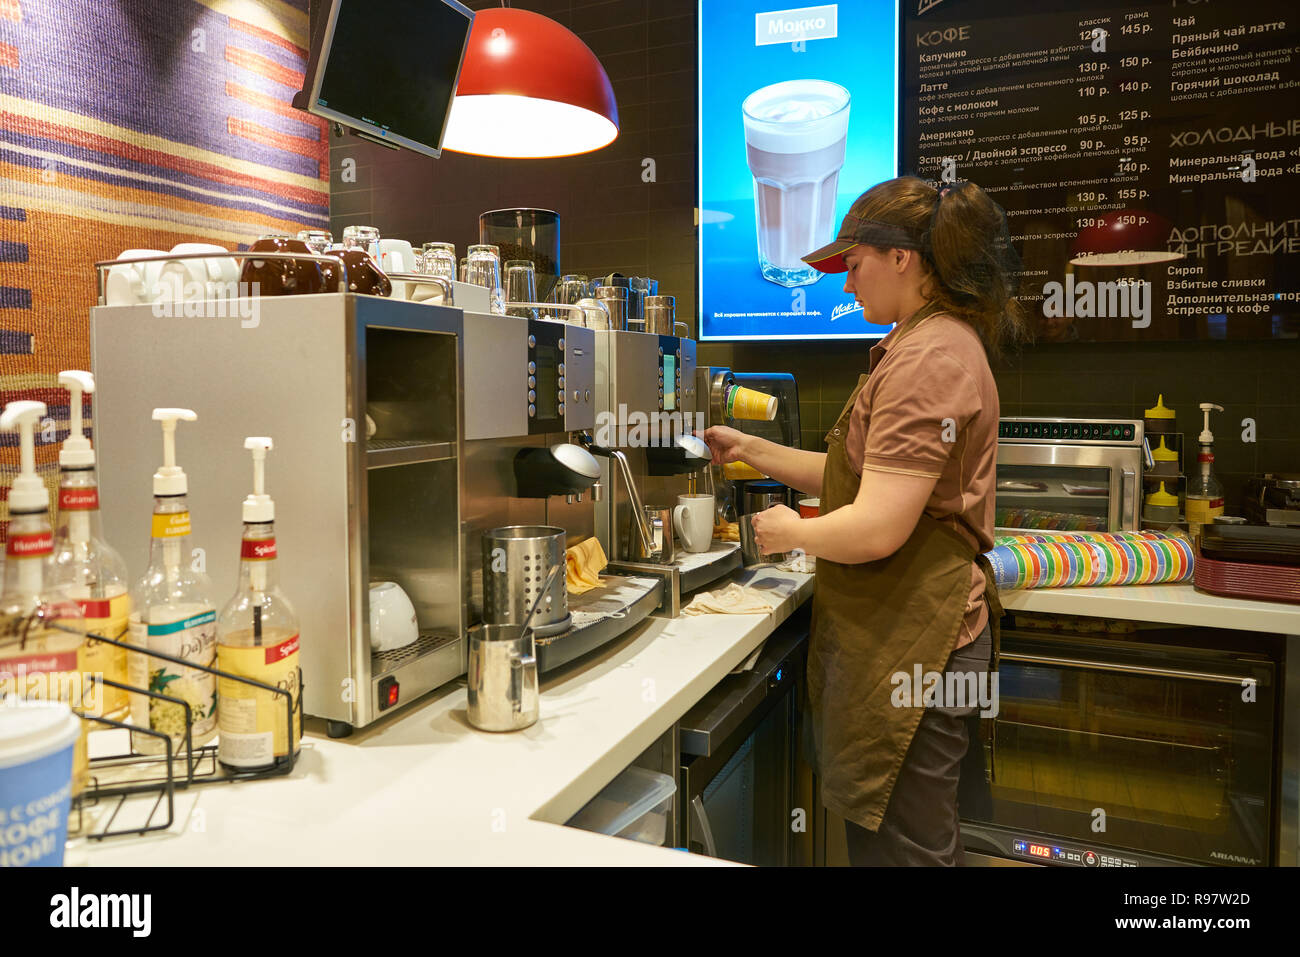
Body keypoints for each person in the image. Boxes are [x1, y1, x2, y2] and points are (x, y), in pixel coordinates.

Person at [704, 176, 1027, 865]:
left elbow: (878, 524)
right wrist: (753, 449)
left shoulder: (929, 358)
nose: (846, 286)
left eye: (853, 265)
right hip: (911, 636)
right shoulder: (924, 342)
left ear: (902, 258)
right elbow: (865, 479)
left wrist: (788, 532)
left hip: (918, 646)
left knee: (905, 853)